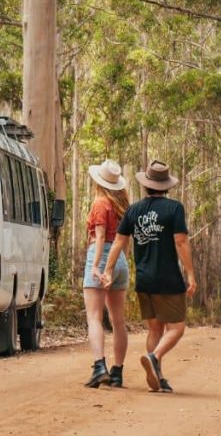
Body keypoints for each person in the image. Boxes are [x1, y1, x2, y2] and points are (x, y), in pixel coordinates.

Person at [102, 159, 196, 394]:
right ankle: (154, 357)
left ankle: (158, 377)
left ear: (146, 185)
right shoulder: (174, 208)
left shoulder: (134, 210)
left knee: (155, 329)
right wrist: (191, 274)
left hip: (144, 279)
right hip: (168, 278)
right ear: (166, 186)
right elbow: (181, 241)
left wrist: (108, 270)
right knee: (177, 328)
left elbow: (119, 242)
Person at [82, 159, 130, 388]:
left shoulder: (100, 203)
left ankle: (99, 366)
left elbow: (100, 236)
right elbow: (125, 240)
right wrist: (121, 261)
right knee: (118, 320)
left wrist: (95, 266)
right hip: (120, 259)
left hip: (101, 256)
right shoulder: (122, 207)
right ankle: (117, 372)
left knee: (94, 316)